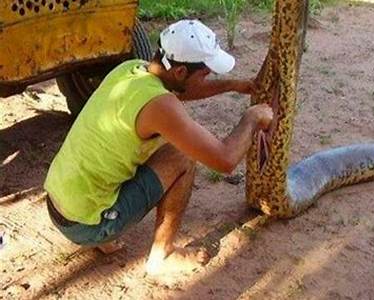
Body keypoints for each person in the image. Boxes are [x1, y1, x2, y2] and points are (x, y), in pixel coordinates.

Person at [43, 19, 273, 275]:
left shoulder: (133, 70)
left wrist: (233, 85)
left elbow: (180, 92)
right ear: (180, 72)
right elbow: (225, 160)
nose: (210, 77)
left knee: (140, 145)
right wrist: (252, 118)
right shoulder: (160, 107)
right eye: (205, 73)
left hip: (57, 202)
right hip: (84, 224)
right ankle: (161, 255)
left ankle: (100, 232)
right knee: (182, 156)